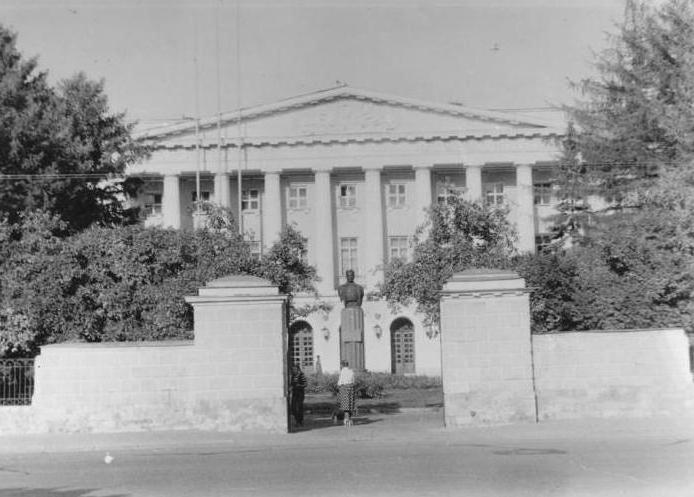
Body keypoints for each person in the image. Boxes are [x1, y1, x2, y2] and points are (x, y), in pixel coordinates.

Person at [337, 360, 356, 427]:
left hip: (344, 388)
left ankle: (346, 419)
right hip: (351, 388)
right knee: (350, 404)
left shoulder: (342, 371)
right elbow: (353, 381)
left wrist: (338, 387)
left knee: (345, 405)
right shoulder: (351, 371)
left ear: (342, 365)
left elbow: (340, 381)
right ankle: (349, 419)